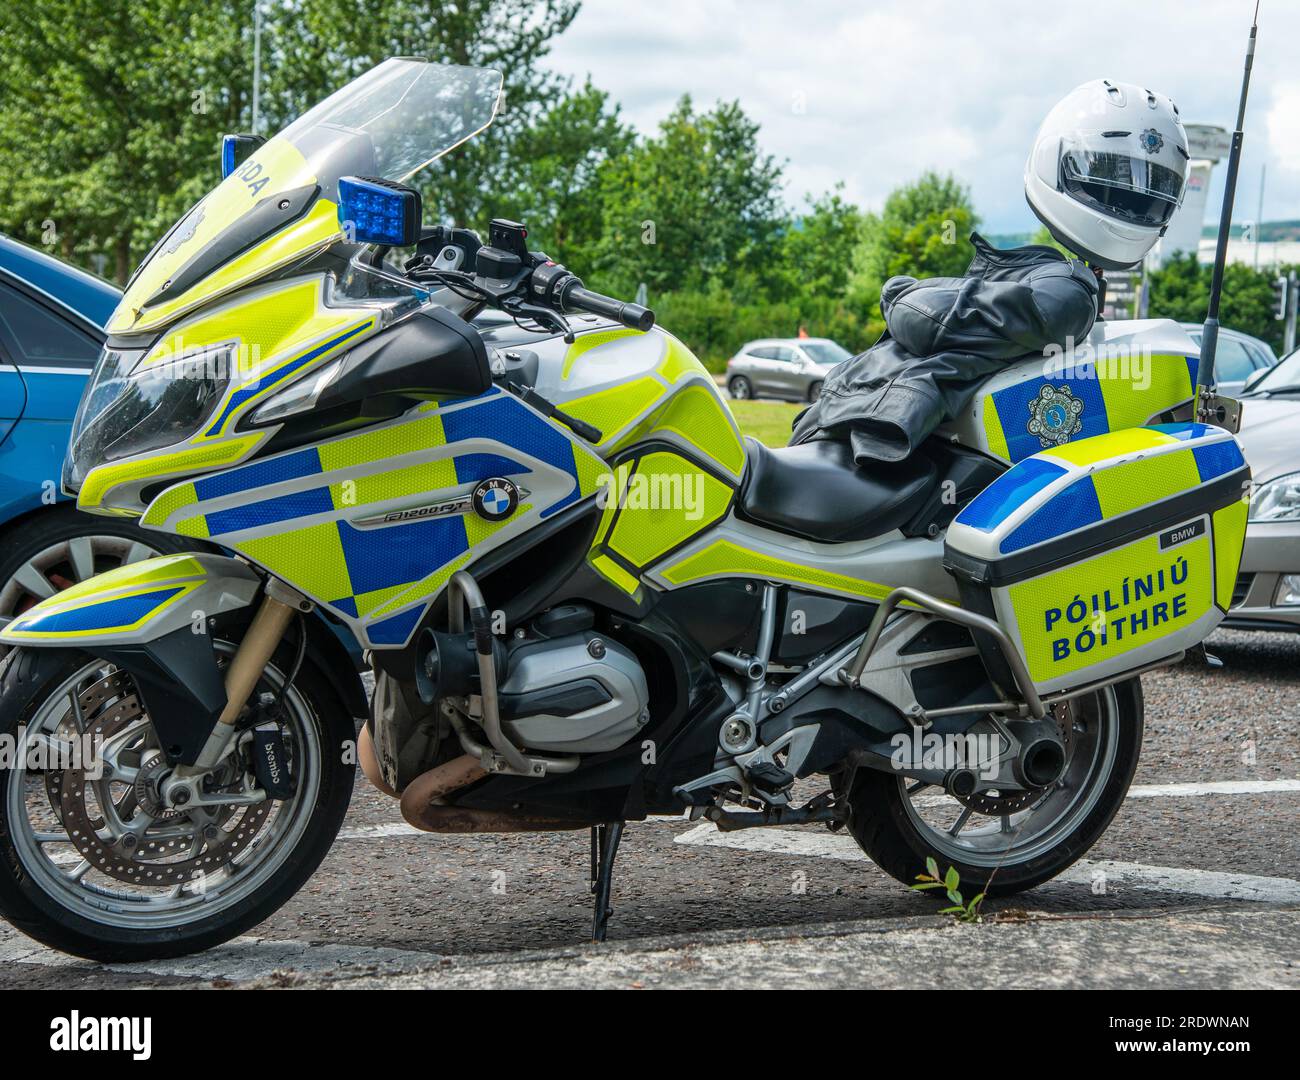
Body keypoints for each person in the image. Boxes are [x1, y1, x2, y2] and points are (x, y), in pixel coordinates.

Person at [791, 79, 1189, 464]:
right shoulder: (1056, 289)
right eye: (1116, 174)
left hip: (861, 432)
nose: (1136, 192)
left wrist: (899, 290)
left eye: (1152, 183)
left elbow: (920, 317)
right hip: (858, 435)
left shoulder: (1063, 297)